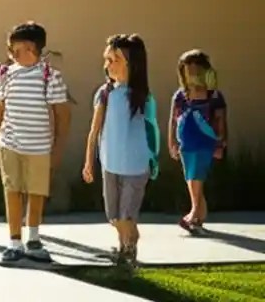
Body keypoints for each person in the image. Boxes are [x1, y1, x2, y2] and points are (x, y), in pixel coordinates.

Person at [0, 21, 71, 265]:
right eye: (12, 49)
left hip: (39, 146)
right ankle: (14, 241)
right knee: (12, 191)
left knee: (36, 192)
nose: (16, 54)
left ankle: (33, 239)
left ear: (36, 49)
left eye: (22, 49)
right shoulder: (5, 75)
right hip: (10, 144)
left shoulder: (50, 77)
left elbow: (62, 114)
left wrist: (57, 148)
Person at [82, 34, 159, 266]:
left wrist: (154, 159)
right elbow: (94, 131)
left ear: (131, 64)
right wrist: (88, 162)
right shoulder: (105, 94)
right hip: (110, 164)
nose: (108, 65)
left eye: (114, 59)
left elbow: (152, 130)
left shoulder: (144, 98)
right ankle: (128, 239)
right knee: (113, 215)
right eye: (107, 60)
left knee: (126, 213)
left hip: (136, 166)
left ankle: (128, 251)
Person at [170, 49, 228, 235]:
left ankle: (193, 213)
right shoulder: (180, 96)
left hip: (206, 141)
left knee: (197, 175)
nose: (192, 73)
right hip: (186, 141)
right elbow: (173, 120)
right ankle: (199, 218)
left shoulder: (214, 96)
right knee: (191, 178)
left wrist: (221, 143)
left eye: (196, 69)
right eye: (188, 69)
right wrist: (172, 142)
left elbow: (220, 120)